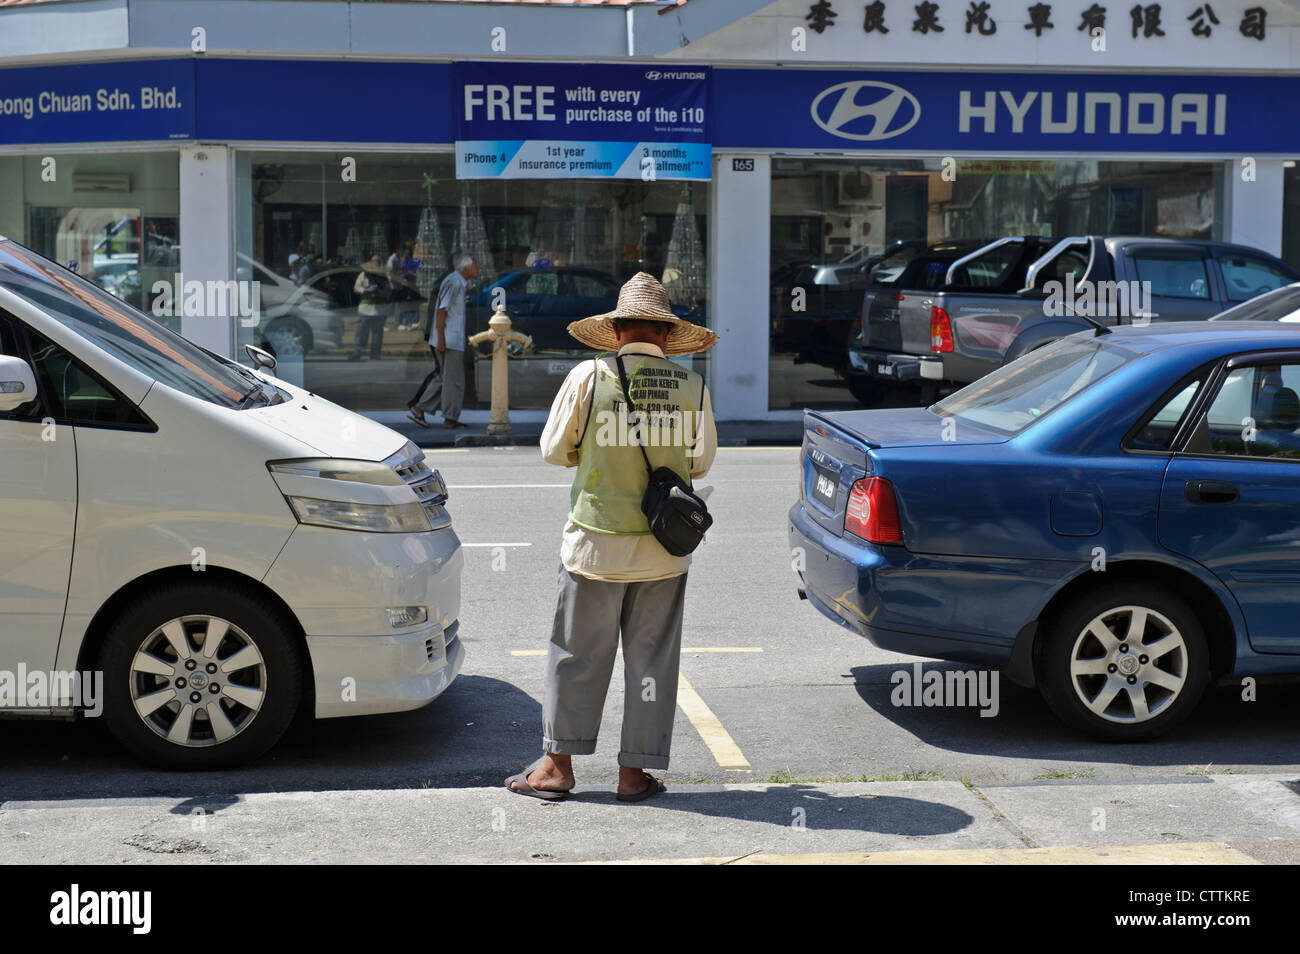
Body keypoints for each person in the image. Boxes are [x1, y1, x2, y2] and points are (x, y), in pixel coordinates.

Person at [505, 271, 719, 803]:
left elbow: (554, 449)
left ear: (617, 329)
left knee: (577, 654)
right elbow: (701, 460)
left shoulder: (588, 377)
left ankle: (557, 768)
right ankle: (633, 775)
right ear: (667, 336)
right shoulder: (691, 385)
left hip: (593, 546)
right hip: (663, 553)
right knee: (652, 663)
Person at [408, 253, 476, 428]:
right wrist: (441, 339)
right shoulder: (454, 283)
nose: (477, 268)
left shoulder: (456, 281)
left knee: (444, 378)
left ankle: (419, 408)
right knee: (455, 381)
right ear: (465, 267)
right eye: (474, 264)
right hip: (450, 339)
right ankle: (450, 418)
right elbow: (441, 311)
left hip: (449, 338)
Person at [348, 254, 388, 361]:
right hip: (365, 308)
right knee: (361, 331)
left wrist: (379, 292)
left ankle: (375, 353)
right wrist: (365, 290)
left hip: (379, 309)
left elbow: (388, 292)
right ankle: (358, 350)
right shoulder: (363, 275)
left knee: (377, 333)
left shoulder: (384, 277)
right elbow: (356, 287)